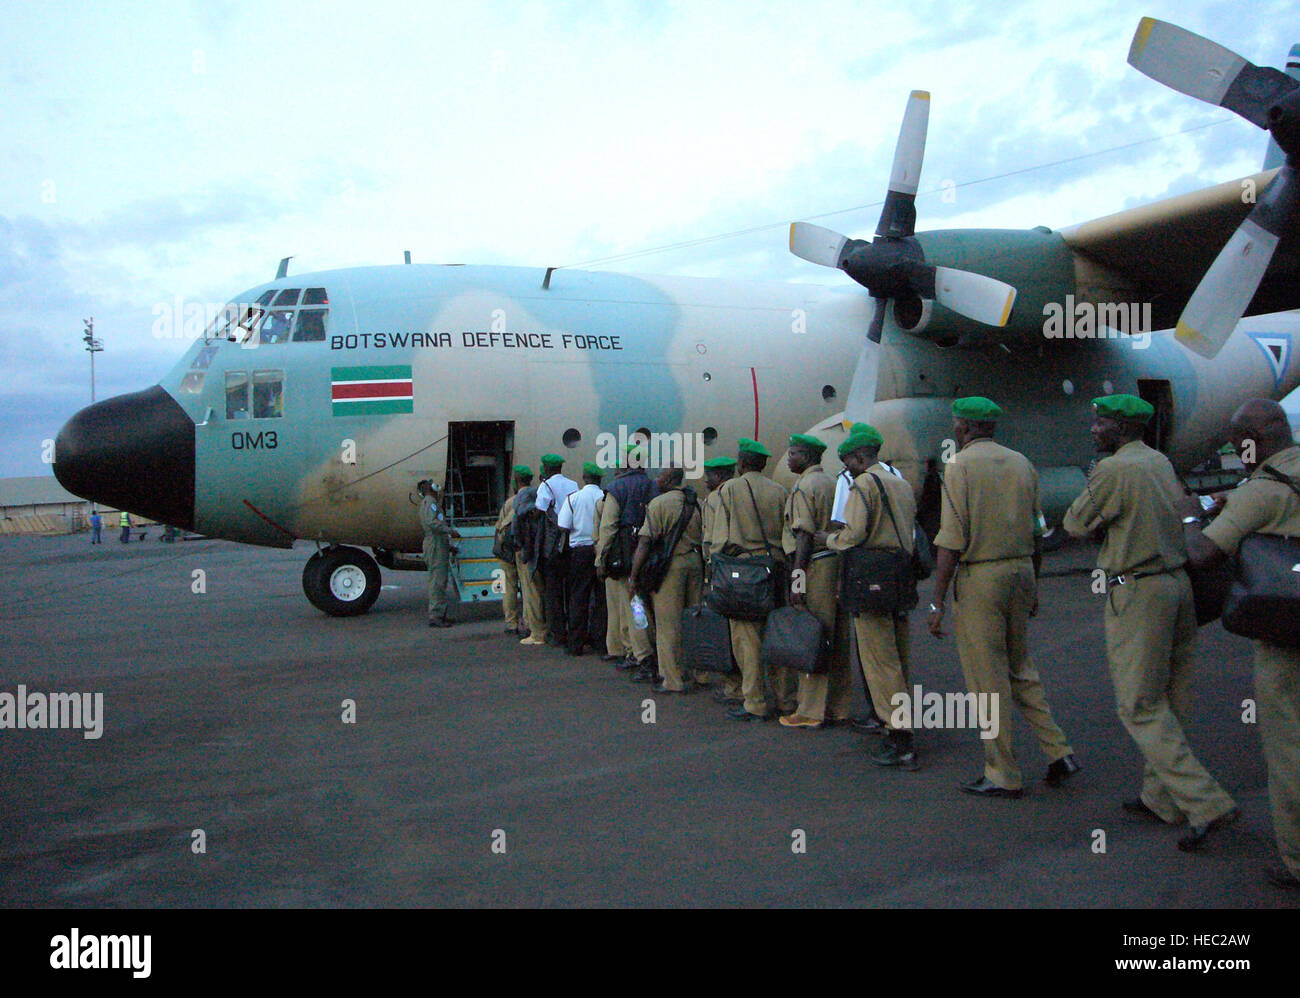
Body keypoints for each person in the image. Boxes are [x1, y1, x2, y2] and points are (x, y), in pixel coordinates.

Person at [1063, 394, 1237, 850]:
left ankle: (1205, 802)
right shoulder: (1159, 461)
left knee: (1138, 704)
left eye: (1100, 423)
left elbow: (1076, 524)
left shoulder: (1113, 469)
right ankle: (1161, 797)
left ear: (1119, 428)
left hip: (1138, 588)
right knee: (1172, 695)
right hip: (1177, 584)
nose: (1094, 429)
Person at [928, 396, 1078, 797]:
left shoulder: (959, 466)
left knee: (986, 679)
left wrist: (937, 599)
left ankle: (1003, 772)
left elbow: (951, 540)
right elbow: (1039, 530)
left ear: (963, 428)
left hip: (982, 577)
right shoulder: (1022, 463)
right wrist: (1035, 585)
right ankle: (1058, 750)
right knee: (1021, 668)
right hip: (1022, 570)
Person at [1184, 398, 1300, 886]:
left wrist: (1190, 516)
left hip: (1287, 640)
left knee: (1289, 751)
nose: (1236, 450)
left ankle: (1296, 861)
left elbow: (1205, 555)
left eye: (1238, 442)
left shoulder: (1260, 490)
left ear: (1254, 440)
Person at [709, 438, 789, 720]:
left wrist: (714, 568)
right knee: (777, 635)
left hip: (743, 571)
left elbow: (720, 539)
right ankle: (785, 699)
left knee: (747, 640)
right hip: (775, 567)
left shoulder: (730, 489)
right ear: (764, 464)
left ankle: (754, 701)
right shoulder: (779, 490)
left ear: (741, 463)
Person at [779, 434, 853, 732]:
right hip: (837, 562)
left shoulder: (804, 486)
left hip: (816, 566)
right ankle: (839, 706)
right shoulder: (833, 482)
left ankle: (810, 710)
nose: (788, 458)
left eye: (793, 453)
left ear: (807, 457)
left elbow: (803, 536)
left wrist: (797, 579)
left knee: (812, 637)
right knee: (837, 638)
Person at [630, 466, 703, 693]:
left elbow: (645, 542)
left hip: (671, 567)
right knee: (694, 618)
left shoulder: (659, 504)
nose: (656, 479)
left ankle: (672, 679)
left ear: (669, 479)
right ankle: (699, 673)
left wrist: (634, 575)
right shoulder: (695, 502)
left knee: (668, 624)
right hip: (695, 563)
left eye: (660, 475)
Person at [599, 444, 658, 679]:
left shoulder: (616, 488)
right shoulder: (653, 485)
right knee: (640, 603)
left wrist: (600, 558)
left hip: (624, 556)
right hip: (648, 554)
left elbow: (608, 526)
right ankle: (636, 651)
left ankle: (643, 655)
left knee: (633, 606)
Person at [701, 455, 741, 703]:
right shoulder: (772, 490)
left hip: (726, 570)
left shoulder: (716, 498)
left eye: (709, 475)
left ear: (719, 476)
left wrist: (709, 574)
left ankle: (735, 689)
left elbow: (712, 541)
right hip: (761, 568)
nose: (706, 480)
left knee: (728, 632)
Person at [558, 462, 605, 656]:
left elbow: (563, 525)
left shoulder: (573, 498)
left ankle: (575, 643)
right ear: (600, 479)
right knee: (601, 598)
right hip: (601, 549)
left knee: (579, 597)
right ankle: (601, 641)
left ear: (584, 478)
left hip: (579, 552)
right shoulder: (605, 498)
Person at [536, 454, 579, 647]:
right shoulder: (573, 484)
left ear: (546, 468)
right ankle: (574, 630)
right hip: (571, 540)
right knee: (571, 590)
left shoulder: (545, 486)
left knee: (553, 592)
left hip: (552, 546)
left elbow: (540, 510)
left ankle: (558, 633)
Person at [511, 466, 548, 646]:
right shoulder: (537, 494)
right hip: (541, 549)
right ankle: (543, 628)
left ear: (516, 480)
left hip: (527, 551)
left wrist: (519, 545)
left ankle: (537, 633)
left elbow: (515, 526)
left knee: (531, 592)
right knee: (541, 591)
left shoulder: (519, 499)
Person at [418, 480, 460, 627]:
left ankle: (440, 613)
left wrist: (448, 546)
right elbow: (432, 523)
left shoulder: (430, 503)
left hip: (439, 543)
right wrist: (450, 531)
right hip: (435, 543)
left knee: (440, 580)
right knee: (437, 581)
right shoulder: (430, 503)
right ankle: (436, 615)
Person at [494, 480, 523, 635]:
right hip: (522, 550)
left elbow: (498, 526)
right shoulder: (530, 501)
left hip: (507, 550)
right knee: (527, 589)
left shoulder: (508, 503)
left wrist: (497, 546)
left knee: (509, 588)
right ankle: (528, 622)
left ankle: (511, 623)